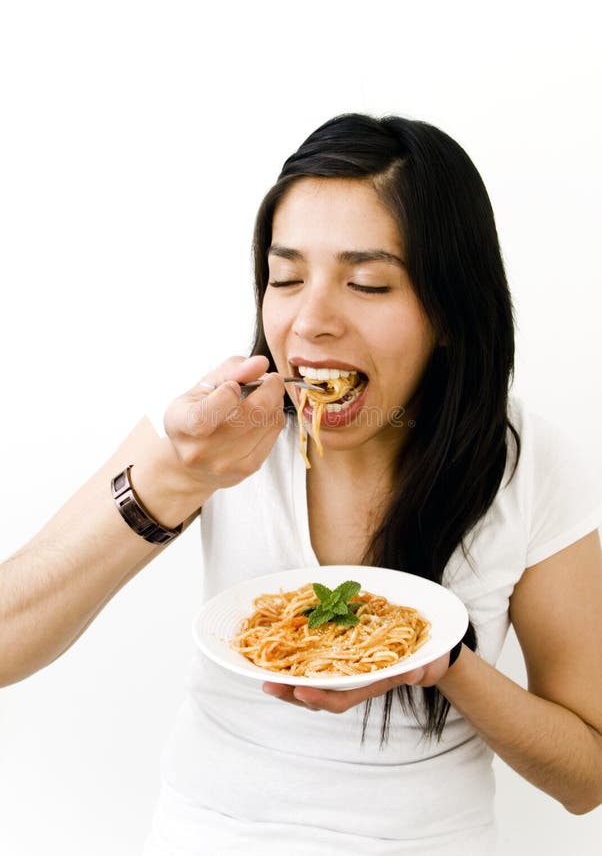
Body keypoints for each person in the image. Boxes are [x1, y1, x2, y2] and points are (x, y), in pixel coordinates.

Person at [1, 114, 601, 856]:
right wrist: (177, 473)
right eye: (285, 279)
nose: (310, 321)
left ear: (449, 310)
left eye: (367, 282)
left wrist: (443, 663)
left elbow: (587, 778)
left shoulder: (527, 462)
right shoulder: (214, 428)